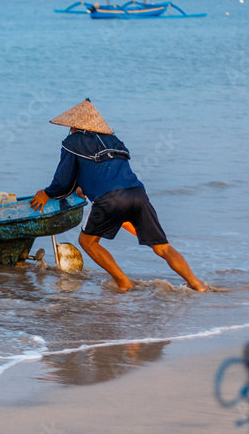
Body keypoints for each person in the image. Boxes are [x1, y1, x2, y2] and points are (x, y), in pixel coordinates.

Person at [30, 99, 207, 292]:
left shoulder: (72, 142)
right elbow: (105, 173)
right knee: (163, 247)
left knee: (87, 242)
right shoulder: (114, 142)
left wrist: (46, 194)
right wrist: (83, 189)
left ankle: (124, 282)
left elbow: (63, 183)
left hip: (109, 199)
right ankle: (197, 284)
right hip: (137, 194)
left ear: (73, 126)